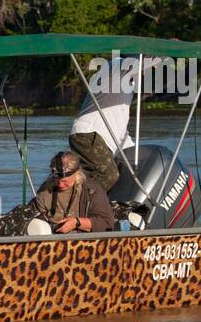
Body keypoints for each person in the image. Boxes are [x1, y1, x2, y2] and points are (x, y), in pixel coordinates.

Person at [69, 58, 139, 191]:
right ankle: (78, 205)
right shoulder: (116, 67)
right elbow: (141, 61)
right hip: (88, 134)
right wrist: (165, 51)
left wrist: (133, 149)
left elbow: (119, 123)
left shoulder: (128, 86)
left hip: (105, 139)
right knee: (108, 175)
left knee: (131, 168)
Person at [25, 151, 115, 235]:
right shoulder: (45, 191)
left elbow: (107, 223)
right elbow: (30, 217)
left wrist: (77, 223)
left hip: (85, 242)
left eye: (65, 181)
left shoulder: (92, 191)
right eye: (56, 180)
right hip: (52, 242)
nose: (60, 184)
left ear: (76, 173)